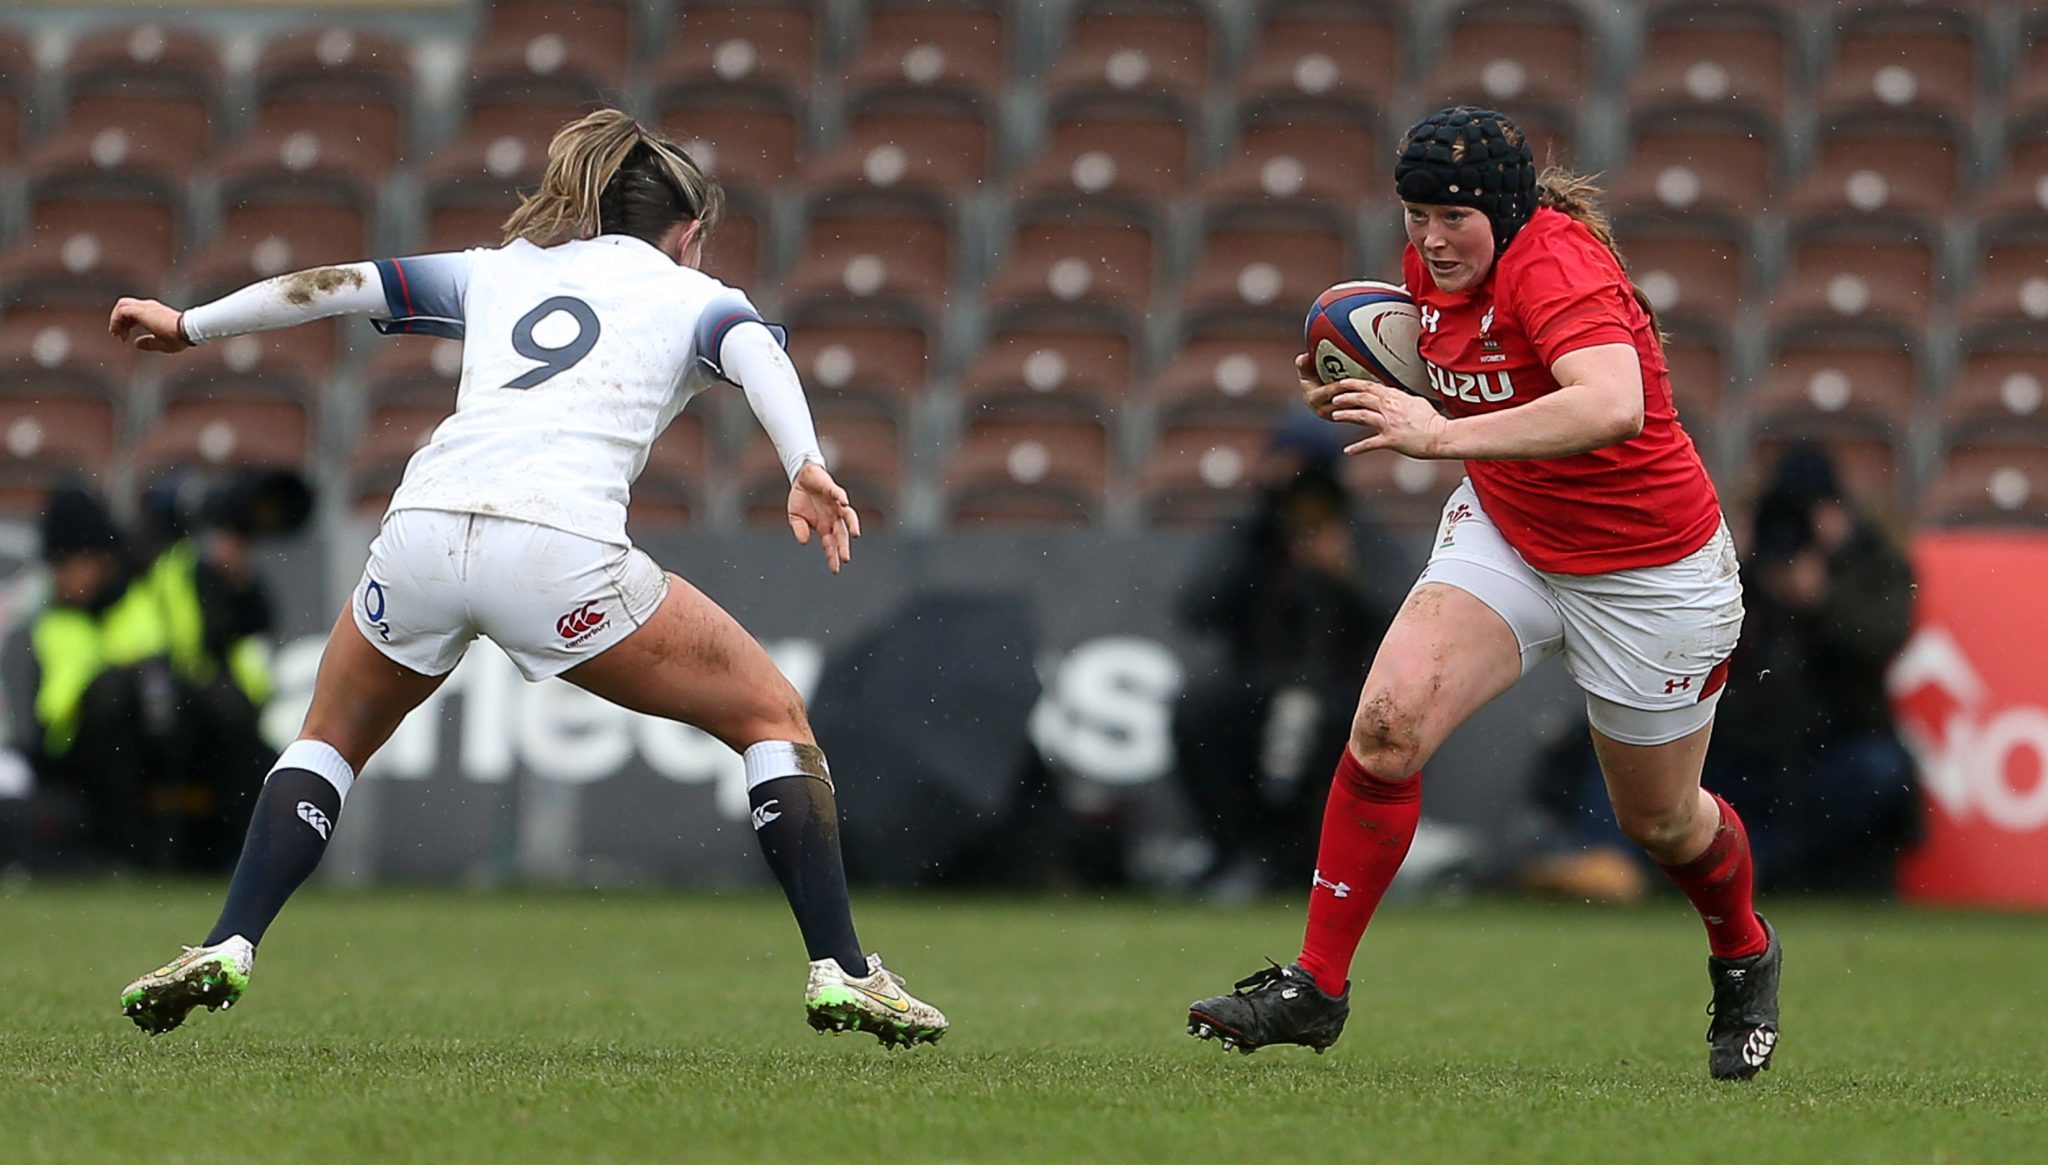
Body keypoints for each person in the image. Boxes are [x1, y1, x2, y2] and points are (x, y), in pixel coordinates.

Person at [108, 109, 946, 1047]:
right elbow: (758, 353)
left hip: (423, 529)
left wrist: (188, 325)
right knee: (774, 718)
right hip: (556, 549)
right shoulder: (695, 295)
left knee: (329, 738)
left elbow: (337, 284)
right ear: (688, 233)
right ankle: (843, 970)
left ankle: (229, 941)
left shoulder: (498, 269)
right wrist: (804, 461)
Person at [1185, 107, 1778, 1081]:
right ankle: (1316, 985)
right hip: (1511, 532)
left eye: (1450, 217)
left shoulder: (1557, 262)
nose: (1428, 239)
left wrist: (1435, 435)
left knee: (1660, 822)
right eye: (1414, 215)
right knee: (1386, 726)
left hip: (1649, 573)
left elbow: (1610, 404)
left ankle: (1743, 951)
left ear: (1503, 212)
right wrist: (1351, 385)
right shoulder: (1433, 268)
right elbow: (1469, 376)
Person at [1172, 419, 1396, 899]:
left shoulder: (1360, 534)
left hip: (1341, 685)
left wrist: (1345, 573)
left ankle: (1314, 859)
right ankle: (1234, 851)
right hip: (1256, 678)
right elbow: (1197, 607)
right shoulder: (1252, 534)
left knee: (1354, 728)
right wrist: (1259, 533)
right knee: (1199, 711)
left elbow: (1401, 617)